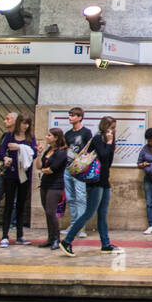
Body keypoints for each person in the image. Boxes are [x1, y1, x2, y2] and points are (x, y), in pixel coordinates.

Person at [59, 116, 119, 256]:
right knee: (89, 213)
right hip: (95, 182)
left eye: (114, 127)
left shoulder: (108, 141)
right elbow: (103, 155)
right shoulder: (98, 139)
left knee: (102, 215)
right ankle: (67, 241)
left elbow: (107, 163)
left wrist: (110, 144)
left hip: (104, 181)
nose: (114, 130)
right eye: (112, 127)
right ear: (105, 127)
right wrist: (109, 143)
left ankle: (105, 244)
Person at [0, 114, 37, 247]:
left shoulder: (30, 138)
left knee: (21, 205)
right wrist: (5, 158)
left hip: (24, 175)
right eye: (23, 123)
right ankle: (4, 235)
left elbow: (34, 153)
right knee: (8, 204)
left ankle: (20, 235)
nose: (25, 126)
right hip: (11, 174)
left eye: (27, 123)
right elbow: (1, 151)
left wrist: (20, 147)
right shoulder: (9, 135)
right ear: (18, 123)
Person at [62, 107, 93, 237]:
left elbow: (90, 150)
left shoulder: (86, 132)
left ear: (80, 117)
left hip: (80, 169)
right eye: (69, 115)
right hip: (68, 168)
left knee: (80, 197)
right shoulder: (67, 134)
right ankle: (74, 223)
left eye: (73, 115)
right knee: (70, 197)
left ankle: (81, 226)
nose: (70, 117)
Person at [36, 128, 68, 249]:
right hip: (45, 184)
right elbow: (39, 165)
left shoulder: (62, 152)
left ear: (56, 138)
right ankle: (50, 238)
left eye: (49, 135)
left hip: (56, 185)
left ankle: (56, 238)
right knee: (47, 212)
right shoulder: (49, 150)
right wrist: (39, 154)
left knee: (51, 211)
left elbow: (51, 169)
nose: (46, 137)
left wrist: (42, 170)